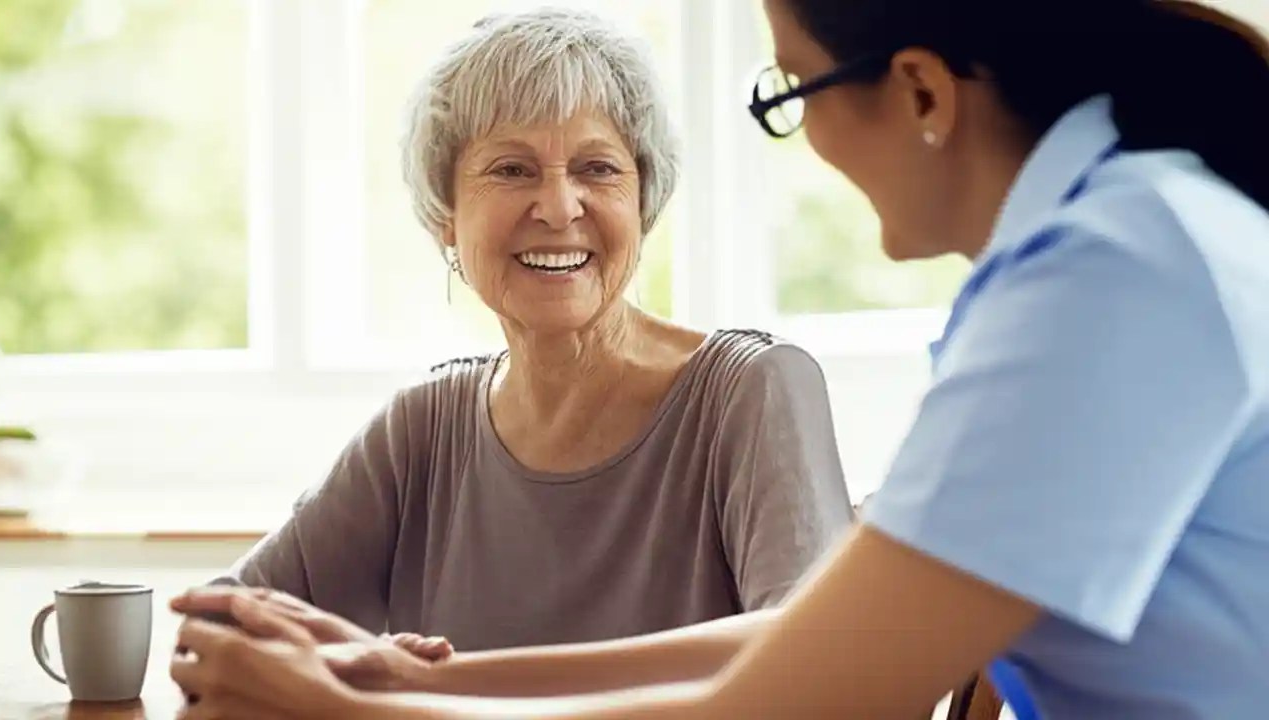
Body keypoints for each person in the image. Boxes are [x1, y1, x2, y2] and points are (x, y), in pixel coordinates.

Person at [170, 0, 1269, 717]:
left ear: (925, 92)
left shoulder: (1113, 275)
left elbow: (808, 698)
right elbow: (806, 641)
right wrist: (412, 676)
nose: (558, 206)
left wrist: (371, 713)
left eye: (789, 95)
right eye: (507, 171)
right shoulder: (1110, 249)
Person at [208, 3, 853, 689]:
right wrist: (344, 666)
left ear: (644, 203)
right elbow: (219, 629)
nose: (558, 206)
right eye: (512, 170)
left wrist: (432, 683)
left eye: (598, 168)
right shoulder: (422, 430)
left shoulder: (751, 390)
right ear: (444, 218)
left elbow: (824, 663)